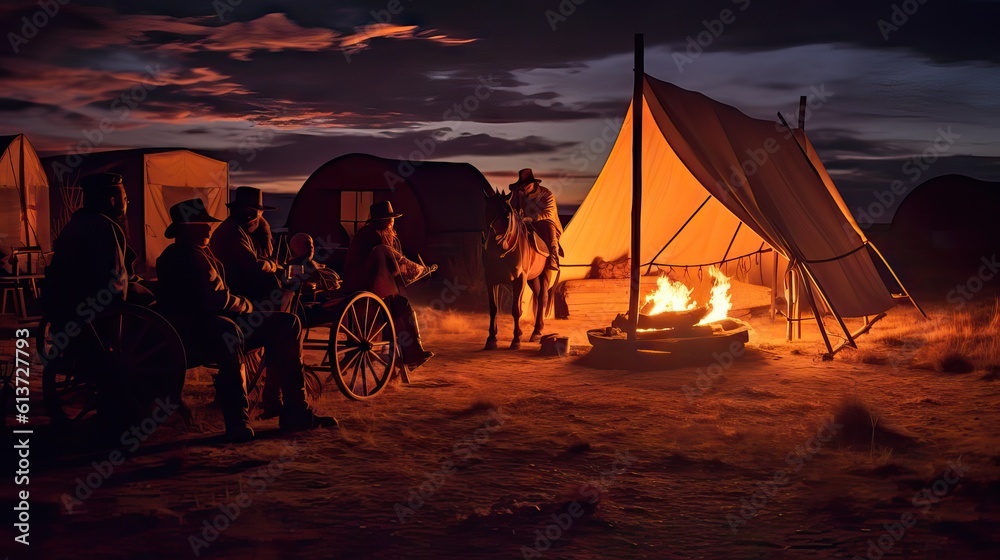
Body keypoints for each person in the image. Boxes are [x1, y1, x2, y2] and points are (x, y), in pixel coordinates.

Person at [156, 198, 336, 442]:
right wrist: (248, 305)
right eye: (205, 224)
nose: (210, 229)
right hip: (204, 330)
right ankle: (247, 419)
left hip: (198, 324)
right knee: (283, 323)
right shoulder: (191, 257)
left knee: (282, 322)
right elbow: (216, 300)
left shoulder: (180, 254)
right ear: (191, 229)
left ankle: (285, 409)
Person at [44, 172, 154, 321]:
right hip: (97, 309)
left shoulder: (75, 224)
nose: (127, 203)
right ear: (113, 201)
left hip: (67, 302)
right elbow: (116, 283)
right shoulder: (106, 227)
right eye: (125, 199)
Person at [343, 200, 434, 368]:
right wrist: (421, 270)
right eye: (391, 219)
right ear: (385, 221)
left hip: (356, 288)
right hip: (368, 291)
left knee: (399, 303)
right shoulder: (377, 239)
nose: (393, 223)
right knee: (402, 304)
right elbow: (394, 267)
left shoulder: (366, 234)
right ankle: (412, 352)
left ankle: (410, 352)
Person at [210, 186, 290, 309]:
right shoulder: (233, 232)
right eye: (249, 212)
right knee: (285, 295)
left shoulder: (243, 228)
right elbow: (252, 265)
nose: (251, 216)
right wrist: (272, 266)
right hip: (238, 292)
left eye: (255, 213)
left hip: (242, 288)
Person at [509, 168, 563, 271]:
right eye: (523, 187)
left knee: (549, 227)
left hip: (544, 222)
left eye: (527, 186)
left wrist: (531, 218)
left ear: (534, 184)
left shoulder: (547, 195)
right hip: (524, 222)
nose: (525, 189)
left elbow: (549, 213)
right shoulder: (520, 194)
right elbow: (513, 205)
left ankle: (554, 255)